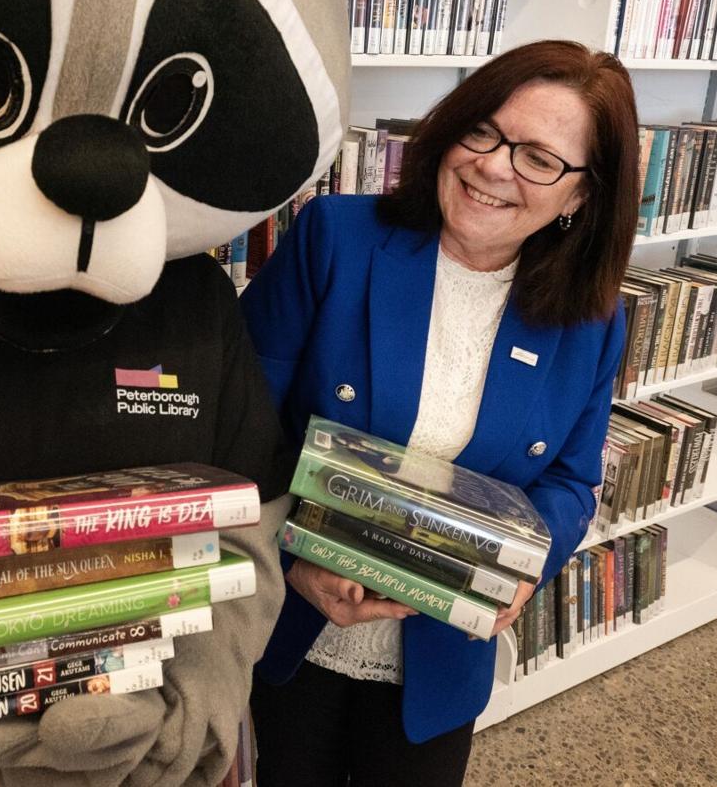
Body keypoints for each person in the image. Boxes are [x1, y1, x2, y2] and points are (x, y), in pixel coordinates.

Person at [243, 40, 639, 786]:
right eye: (483, 131)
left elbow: (570, 481)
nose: (493, 165)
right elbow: (244, 421)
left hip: (443, 658)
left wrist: (521, 572)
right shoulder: (335, 237)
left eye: (539, 159)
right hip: (294, 629)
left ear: (580, 196)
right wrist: (291, 557)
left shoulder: (592, 320)